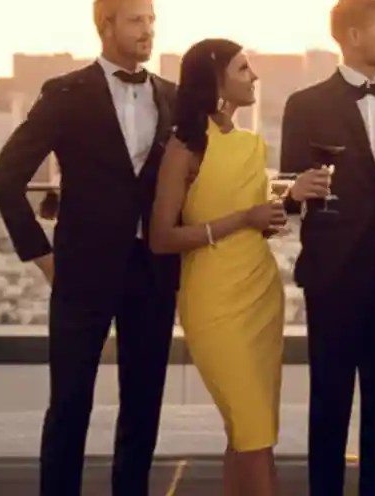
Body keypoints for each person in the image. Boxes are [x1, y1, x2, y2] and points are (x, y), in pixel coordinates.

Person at [0, 0, 178, 496]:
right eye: (136, 20)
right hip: (81, 271)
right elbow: (5, 177)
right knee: (71, 405)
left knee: (144, 405)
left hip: (153, 271)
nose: (148, 30)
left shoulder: (172, 96)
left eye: (151, 19)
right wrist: (43, 258)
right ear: (107, 26)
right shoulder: (67, 93)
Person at [279, 0, 375, 496]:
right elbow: (288, 192)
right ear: (355, 35)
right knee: (330, 405)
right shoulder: (305, 105)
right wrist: (294, 191)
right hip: (333, 276)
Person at [149, 39, 299, 496]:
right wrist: (243, 220)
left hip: (261, 295)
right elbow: (161, 238)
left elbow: (262, 222)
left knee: (251, 434)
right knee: (252, 431)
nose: (253, 76)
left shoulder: (253, 145)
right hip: (215, 305)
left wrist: (287, 200)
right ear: (216, 80)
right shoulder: (184, 148)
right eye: (242, 68)